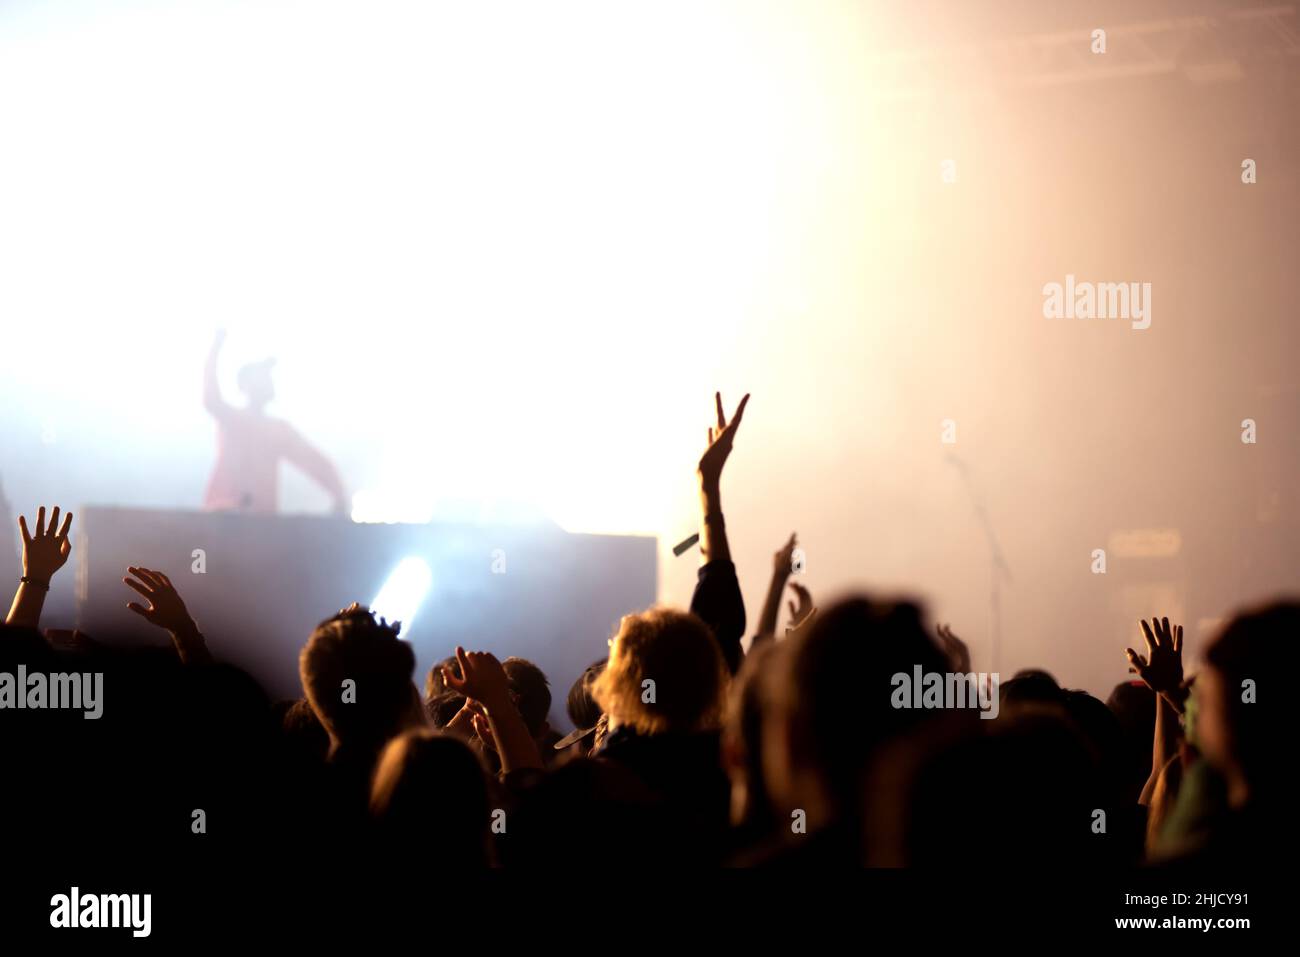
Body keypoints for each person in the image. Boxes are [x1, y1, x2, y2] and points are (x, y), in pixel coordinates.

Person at [202, 328, 349, 514]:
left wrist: (339, 495)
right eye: (260, 376)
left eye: (267, 376)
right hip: (223, 518)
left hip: (261, 523)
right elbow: (210, 397)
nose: (266, 381)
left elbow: (316, 463)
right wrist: (216, 346)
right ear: (244, 384)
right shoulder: (233, 419)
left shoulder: (278, 431)